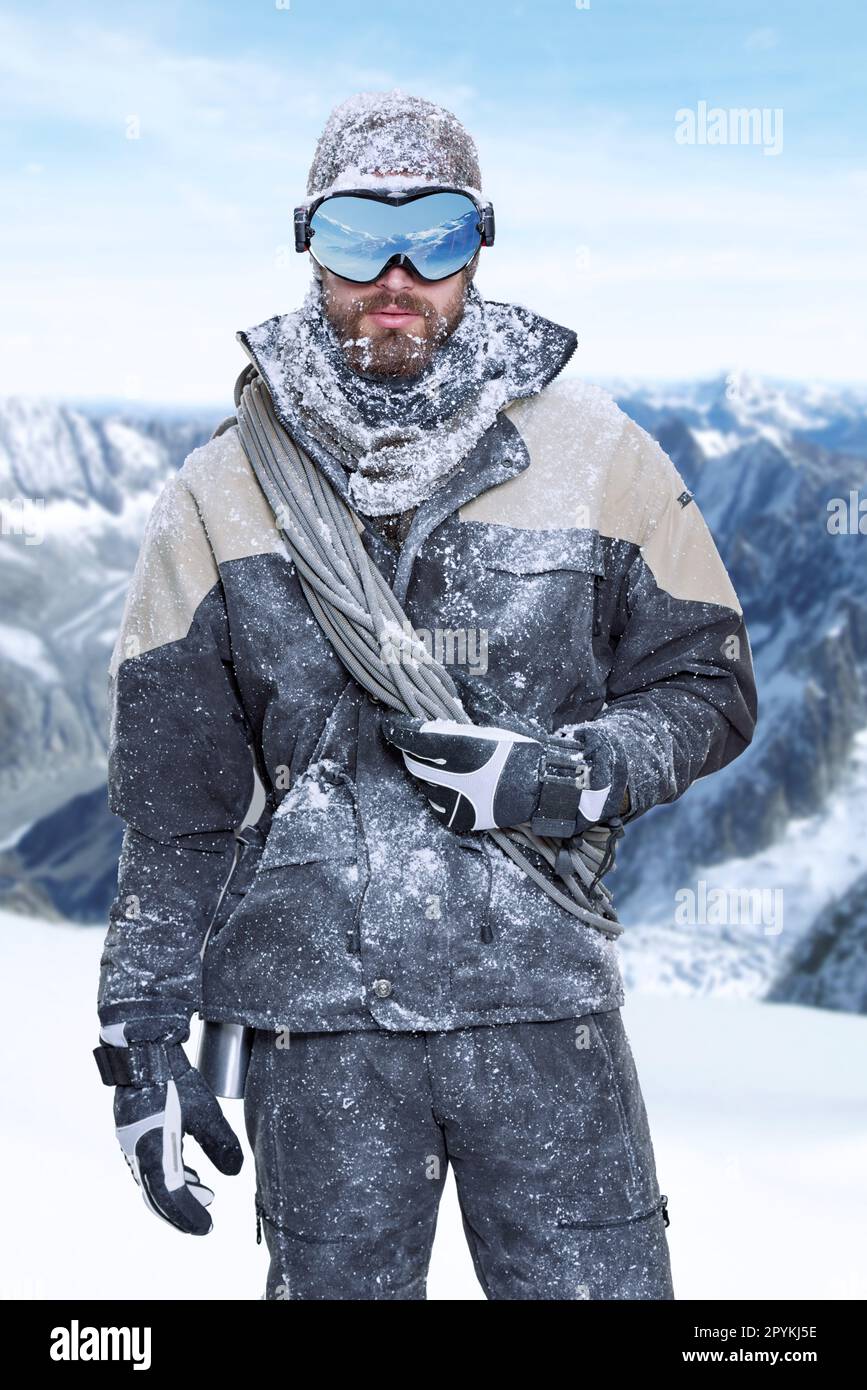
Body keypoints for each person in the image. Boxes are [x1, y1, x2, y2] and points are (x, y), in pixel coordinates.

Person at [92, 90, 757, 1300]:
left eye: (436, 234)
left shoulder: (601, 458)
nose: (396, 274)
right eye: (357, 234)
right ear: (308, 243)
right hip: (321, 1039)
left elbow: (707, 683)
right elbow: (176, 800)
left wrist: (580, 772)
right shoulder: (219, 491)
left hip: (544, 1017)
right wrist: (139, 1029)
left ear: (480, 247)